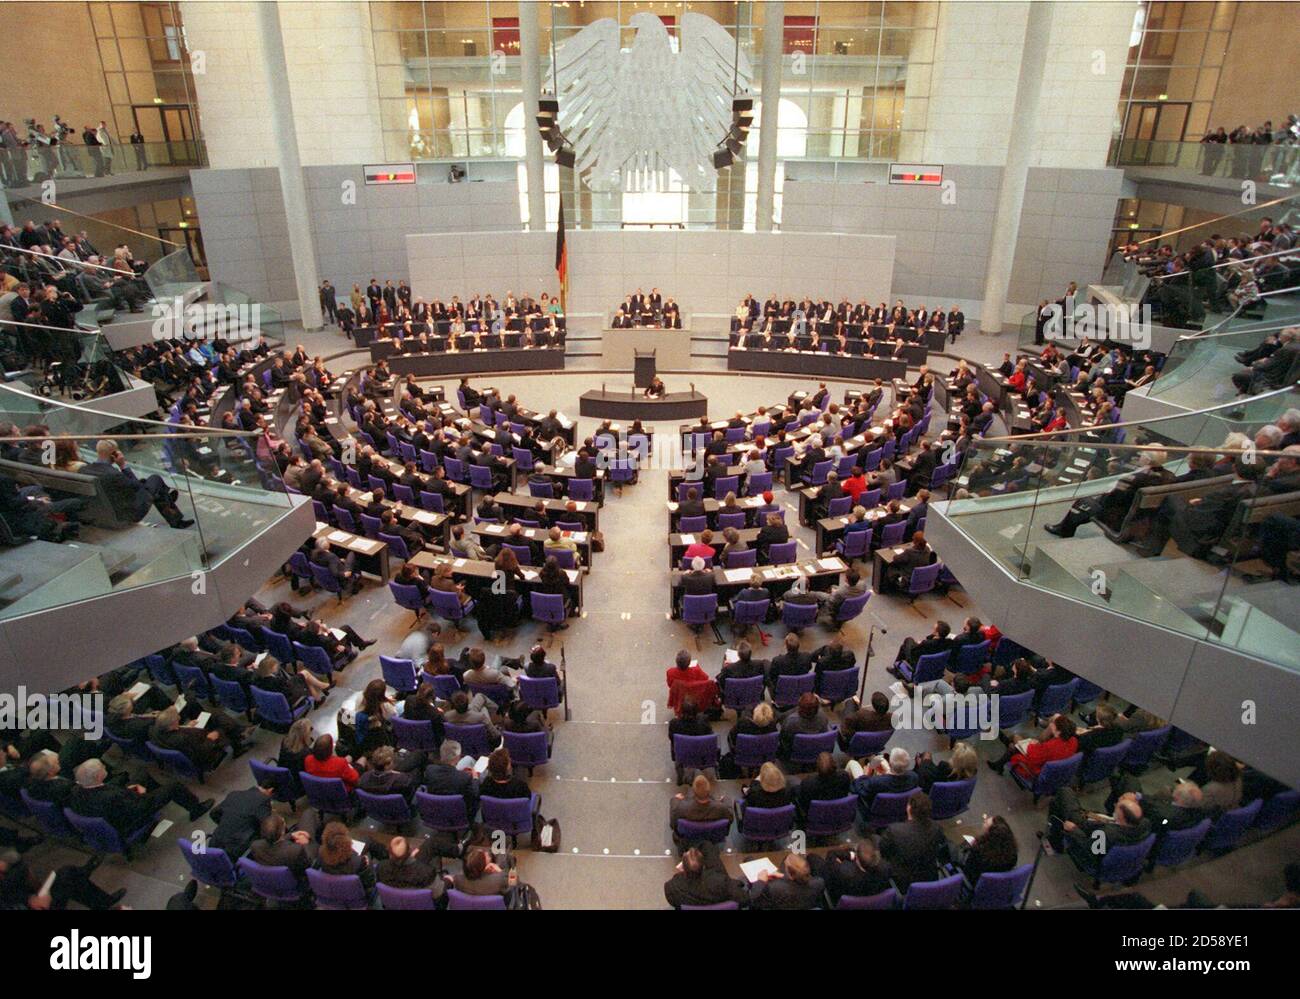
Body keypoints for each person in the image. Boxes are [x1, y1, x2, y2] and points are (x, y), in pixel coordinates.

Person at [82, 438, 193, 529]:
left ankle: (164, 497)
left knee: (148, 482)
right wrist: (123, 465)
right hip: (130, 513)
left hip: (106, 510)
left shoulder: (85, 470)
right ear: (113, 454)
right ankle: (167, 502)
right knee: (155, 479)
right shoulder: (114, 475)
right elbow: (137, 487)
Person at [879, 791, 950, 890]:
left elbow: (883, 851)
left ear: (909, 808)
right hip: (928, 876)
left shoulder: (894, 830)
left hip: (902, 880)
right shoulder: (937, 828)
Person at [809, 839, 893, 905]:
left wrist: (850, 854)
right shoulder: (886, 869)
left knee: (813, 858)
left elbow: (831, 855)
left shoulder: (843, 871)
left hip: (837, 895)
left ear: (857, 859)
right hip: (870, 898)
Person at [664, 841, 745, 908]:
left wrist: (680, 875)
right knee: (707, 846)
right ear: (703, 867)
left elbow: (674, 903)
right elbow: (743, 898)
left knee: (706, 846)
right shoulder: (720, 883)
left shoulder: (672, 887)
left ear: (684, 869)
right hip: (714, 887)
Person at [748, 852, 825, 910]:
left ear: (790, 874)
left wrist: (761, 881)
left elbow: (755, 900)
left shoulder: (773, 888)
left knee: (749, 860)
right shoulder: (819, 882)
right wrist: (783, 876)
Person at [795, 752, 852, 819]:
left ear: (817, 768)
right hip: (837, 811)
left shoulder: (808, 783)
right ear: (835, 765)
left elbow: (804, 803)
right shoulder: (844, 777)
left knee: (793, 783)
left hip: (815, 816)